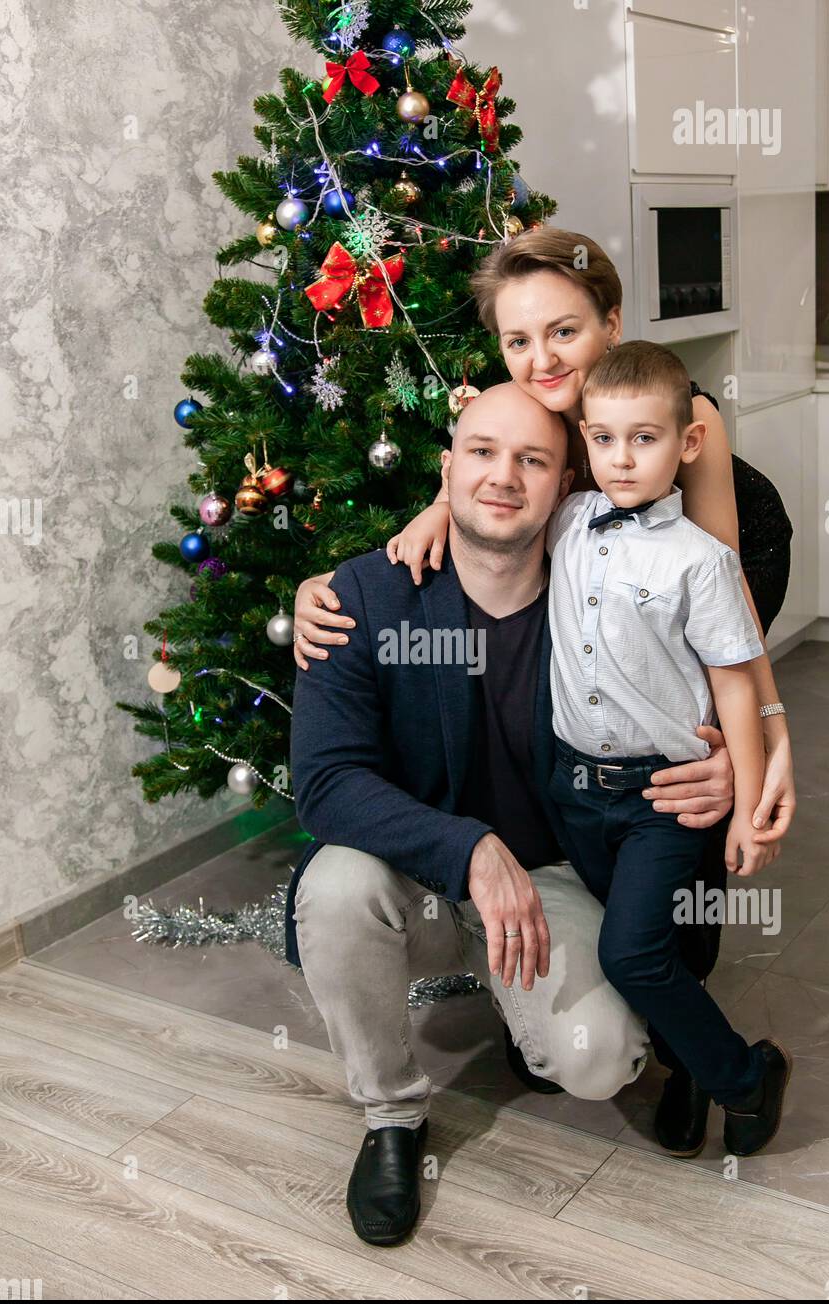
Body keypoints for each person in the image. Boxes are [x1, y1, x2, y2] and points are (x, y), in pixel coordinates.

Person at [292, 227, 796, 1158]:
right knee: (346, 885)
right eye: (517, 342)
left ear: (611, 322)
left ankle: (686, 1052)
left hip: (692, 654)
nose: (541, 360)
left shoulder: (677, 427)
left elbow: (725, 620)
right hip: (525, 809)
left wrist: (754, 739)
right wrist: (432, 514)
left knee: (645, 929)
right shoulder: (488, 506)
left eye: (563, 332)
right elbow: (498, 466)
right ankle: (394, 1116)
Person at [288, 382, 738, 1247]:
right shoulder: (362, 599)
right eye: (483, 452)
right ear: (447, 468)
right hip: (418, 880)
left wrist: (719, 767)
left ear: (566, 482)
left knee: (597, 1059)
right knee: (336, 885)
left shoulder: (608, 599)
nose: (503, 476)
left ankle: (524, 1014)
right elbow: (327, 781)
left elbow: (701, 702)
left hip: (554, 880)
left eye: (531, 459)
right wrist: (469, 850)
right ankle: (390, 1118)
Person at [543, 338, 792, 1154]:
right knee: (662, 941)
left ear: (687, 444)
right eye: (604, 437)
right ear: (583, 437)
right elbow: (481, 496)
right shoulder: (568, 520)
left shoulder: (702, 562)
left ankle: (743, 1076)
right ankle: (681, 1061)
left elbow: (735, 690)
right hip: (574, 790)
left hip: (665, 793)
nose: (621, 458)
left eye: (644, 438)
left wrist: (747, 811)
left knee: (631, 951)